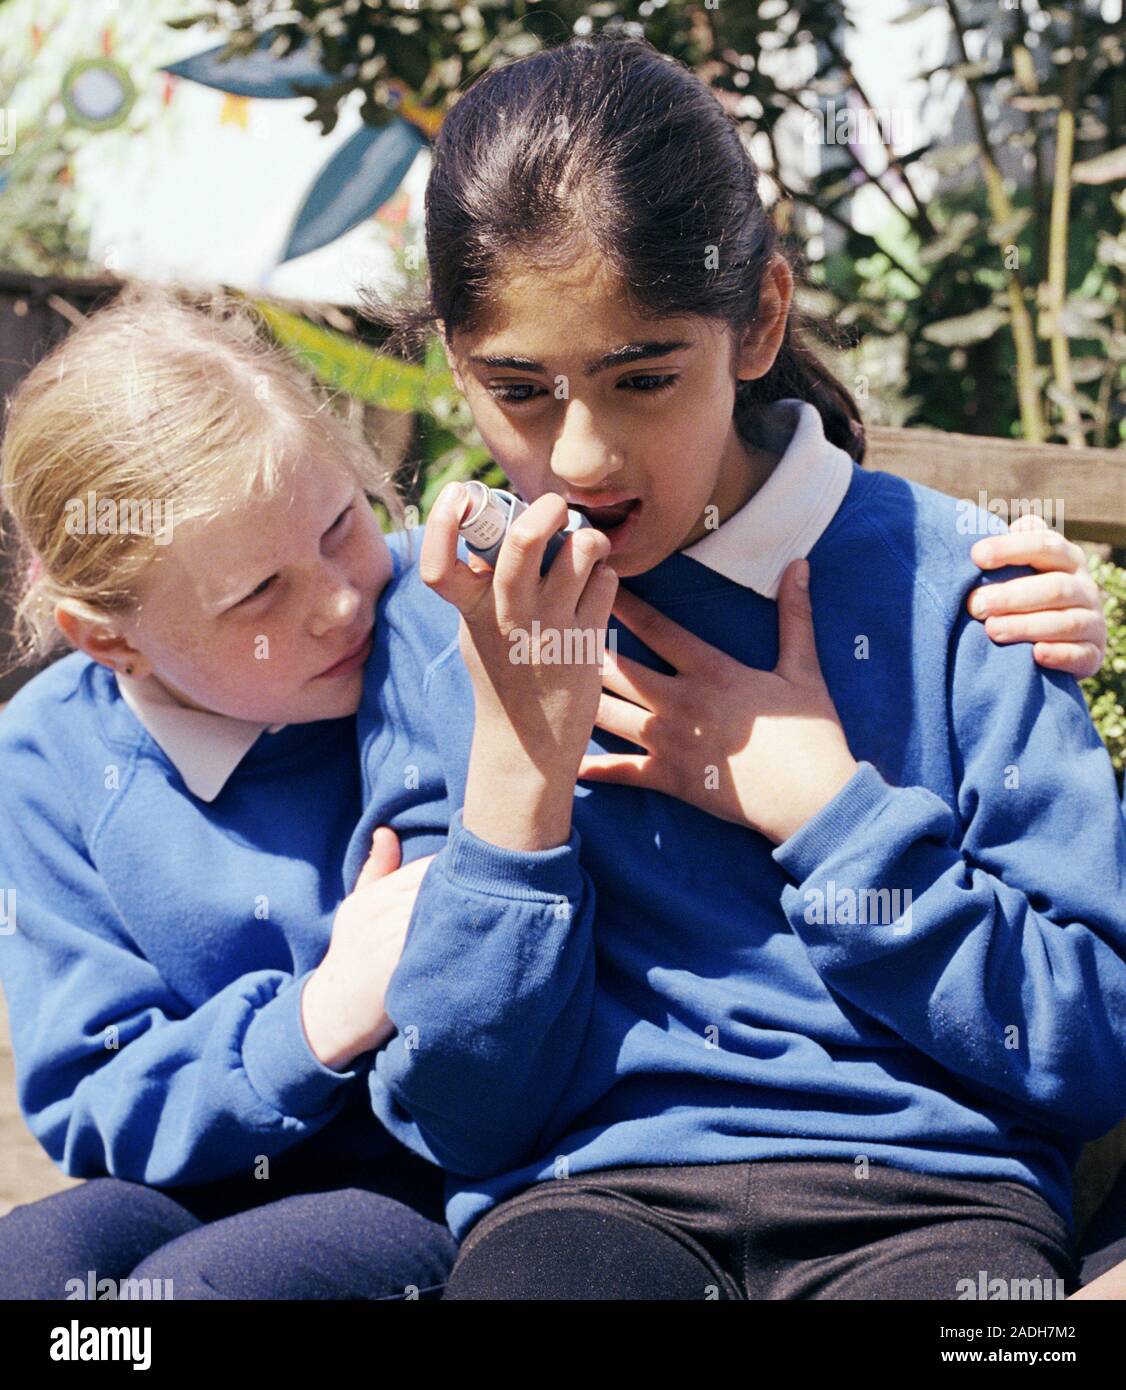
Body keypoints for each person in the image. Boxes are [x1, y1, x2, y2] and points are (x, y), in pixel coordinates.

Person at [344, 34, 1126, 1300]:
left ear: (757, 319)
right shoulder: (446, 615)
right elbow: (454, 1116)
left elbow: (1094, 1045)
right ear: (453, 366)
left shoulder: (975, 589)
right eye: (520, 389)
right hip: (583, 1204)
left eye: (643, 376)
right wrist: (515, 786)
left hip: (937, 1210)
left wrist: (829, 811)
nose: (582, 453)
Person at [0, 287, 456, 1299]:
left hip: (421, 1176)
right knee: (30, 1274)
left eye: (342, 524)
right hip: (200, 1166)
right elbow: (93, 1093)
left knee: (202, 1295)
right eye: (259, 594)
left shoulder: (432, 630)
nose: (340, 600)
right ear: (108, 639)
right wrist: (313, 1019)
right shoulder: (47, 756)